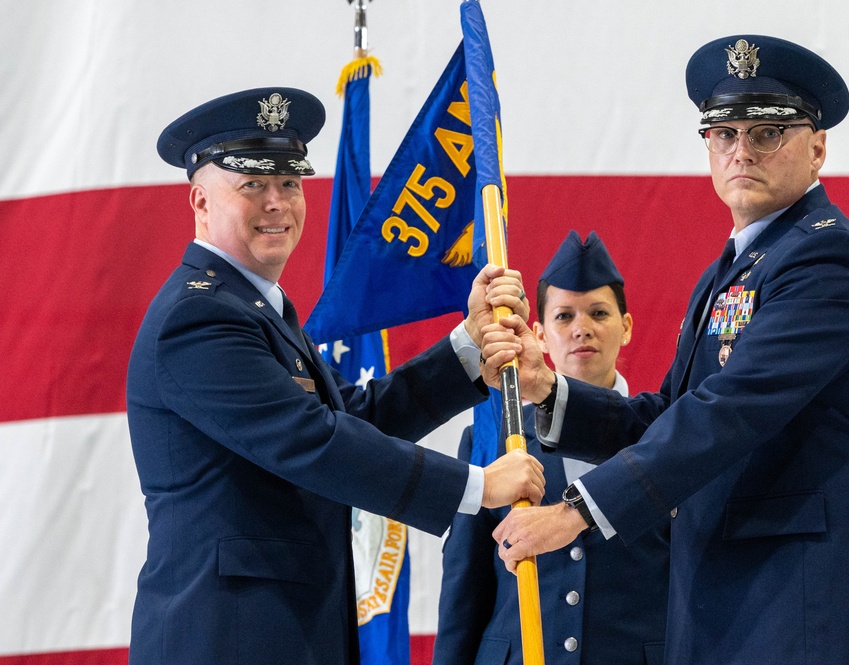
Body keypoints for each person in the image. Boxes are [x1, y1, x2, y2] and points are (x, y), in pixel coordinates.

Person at [485, 35, 849, 664]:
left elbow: (726, 411)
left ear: (817, 148)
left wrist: (578, 510)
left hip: (804, 603)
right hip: (729, 599)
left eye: (766, 133)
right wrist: (550, 392)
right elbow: (668, 415)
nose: (742, 149)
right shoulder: (736, 268)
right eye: (724, 133)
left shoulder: (829, 260)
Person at [126, 87, 545, 665]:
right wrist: (477, 486)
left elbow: (345, 417)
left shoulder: (254, 307)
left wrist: (468, 352)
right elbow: (313, 442)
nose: (277, 202)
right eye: (253, 185)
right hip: (226, 639)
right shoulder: (198, 318)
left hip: (284, 633)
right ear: (199, 201)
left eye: (290, 183)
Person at [433, 231, 669, 665]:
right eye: (564, 316)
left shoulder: (666, 436)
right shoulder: (493, 438)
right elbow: (464, 586)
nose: (582, 328)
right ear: (538, 334)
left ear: (627, 326)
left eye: (599, 312)